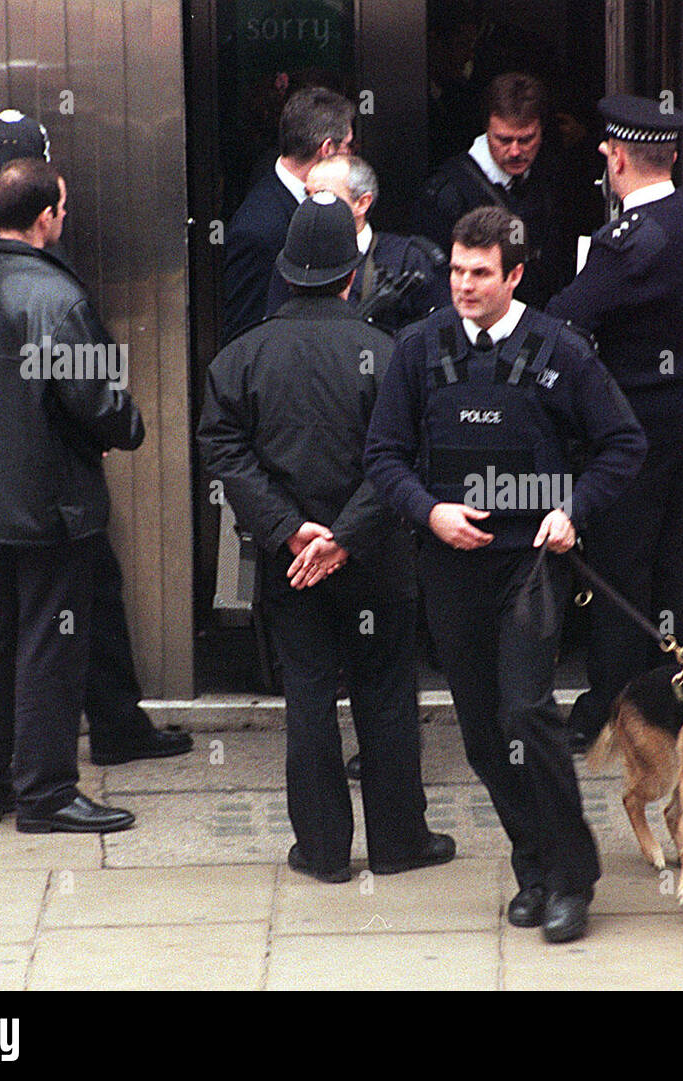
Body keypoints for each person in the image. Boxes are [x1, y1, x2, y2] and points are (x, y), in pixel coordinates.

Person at [365, 206, 646, 943]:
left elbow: (623, 442)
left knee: (527, 712)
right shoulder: (417, 348)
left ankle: (573, 878)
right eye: (455, 270)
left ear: (514, 274)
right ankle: (533, 864)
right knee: (485, 733)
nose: (463, 284)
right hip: (451, 561)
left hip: (532, 561)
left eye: (479, 273)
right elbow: (384, 455)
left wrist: (574, 510)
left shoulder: (561, 348)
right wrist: (429, 513)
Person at [0, 111, 191, 768]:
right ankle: (23, 771)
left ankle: (114, 723)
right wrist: (95, 419)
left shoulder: (36, 255)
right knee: (27, 635)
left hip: (50, 476)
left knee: (94, 595)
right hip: (24, 485)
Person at [199, 193, 454, 882]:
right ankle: (399, 841)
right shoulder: (389, 354)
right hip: (376, 559)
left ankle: (321, 849)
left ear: (285, 271)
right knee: (386, 697)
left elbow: (223, 450)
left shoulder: (240, 358)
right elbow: (409, 456)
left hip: (291, 567)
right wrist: (344, 535)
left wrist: (289, 530)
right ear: (353, 273)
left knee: (308, 698)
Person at [0, 158, 144, 833]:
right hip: (51, 503)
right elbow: (106, 406)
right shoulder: (58, 298)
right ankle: (46, 791)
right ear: (46, 215)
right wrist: (120, 430)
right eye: (63, 207)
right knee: (51, 641)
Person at [546, 94, 683, 753]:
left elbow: (567, 318)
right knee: (670, 562)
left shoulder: (626, 242)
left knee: (622, 566)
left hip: (639, 420)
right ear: (670, 156)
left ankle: (610, 707)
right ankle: (670, 693)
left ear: (618, 158)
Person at [416, 72, 574, 307]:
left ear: (542, 131)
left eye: (526, 140)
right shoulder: (447, 192)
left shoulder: (552, 175)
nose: (515, 151)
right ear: (486, 130)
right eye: (503, 140)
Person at [222, 86, 355, 342]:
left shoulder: (309, 200)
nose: (351, 155)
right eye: (347, 146)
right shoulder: (259, 230)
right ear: (327, 149)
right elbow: (244, 333)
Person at [301, 154, 450, 333]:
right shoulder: (296, 259)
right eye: (307, 195)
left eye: (322, 195)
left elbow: (437, 333)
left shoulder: (408, 260)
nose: (310, 205)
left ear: (362, 203)